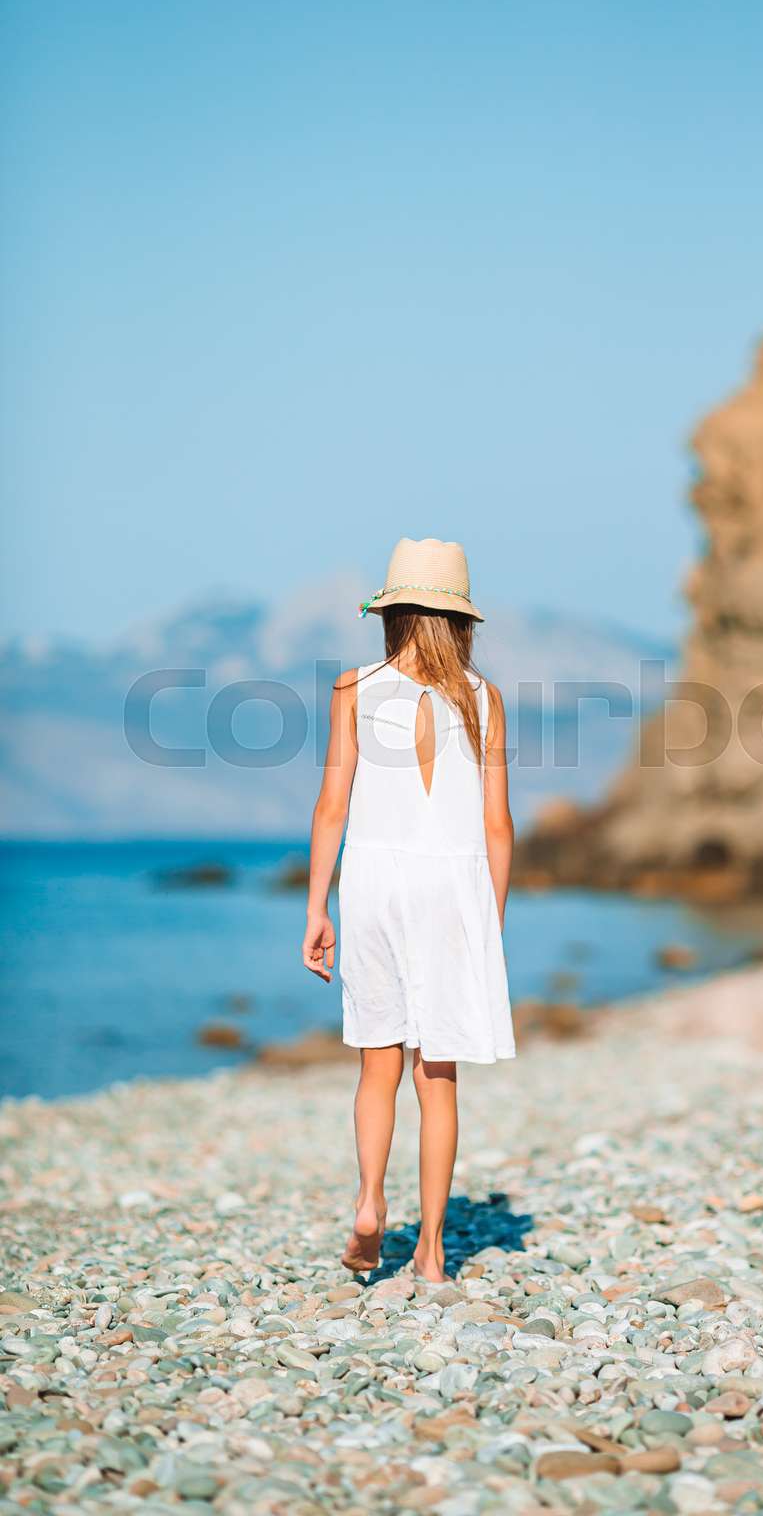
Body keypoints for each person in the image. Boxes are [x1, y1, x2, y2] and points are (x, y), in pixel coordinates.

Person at [302, 537, 515, 1282]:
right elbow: (497, 826)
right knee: (438, 1075)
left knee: (377, 1061)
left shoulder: (355, 688)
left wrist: (316, 907)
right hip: (452, 888)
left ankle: (369, 1201)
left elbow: (332, 806)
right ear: (461, 622)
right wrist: (488, 921)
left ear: (392, 615)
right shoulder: (484, 699)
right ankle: (430, 1253)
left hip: (373, 880)